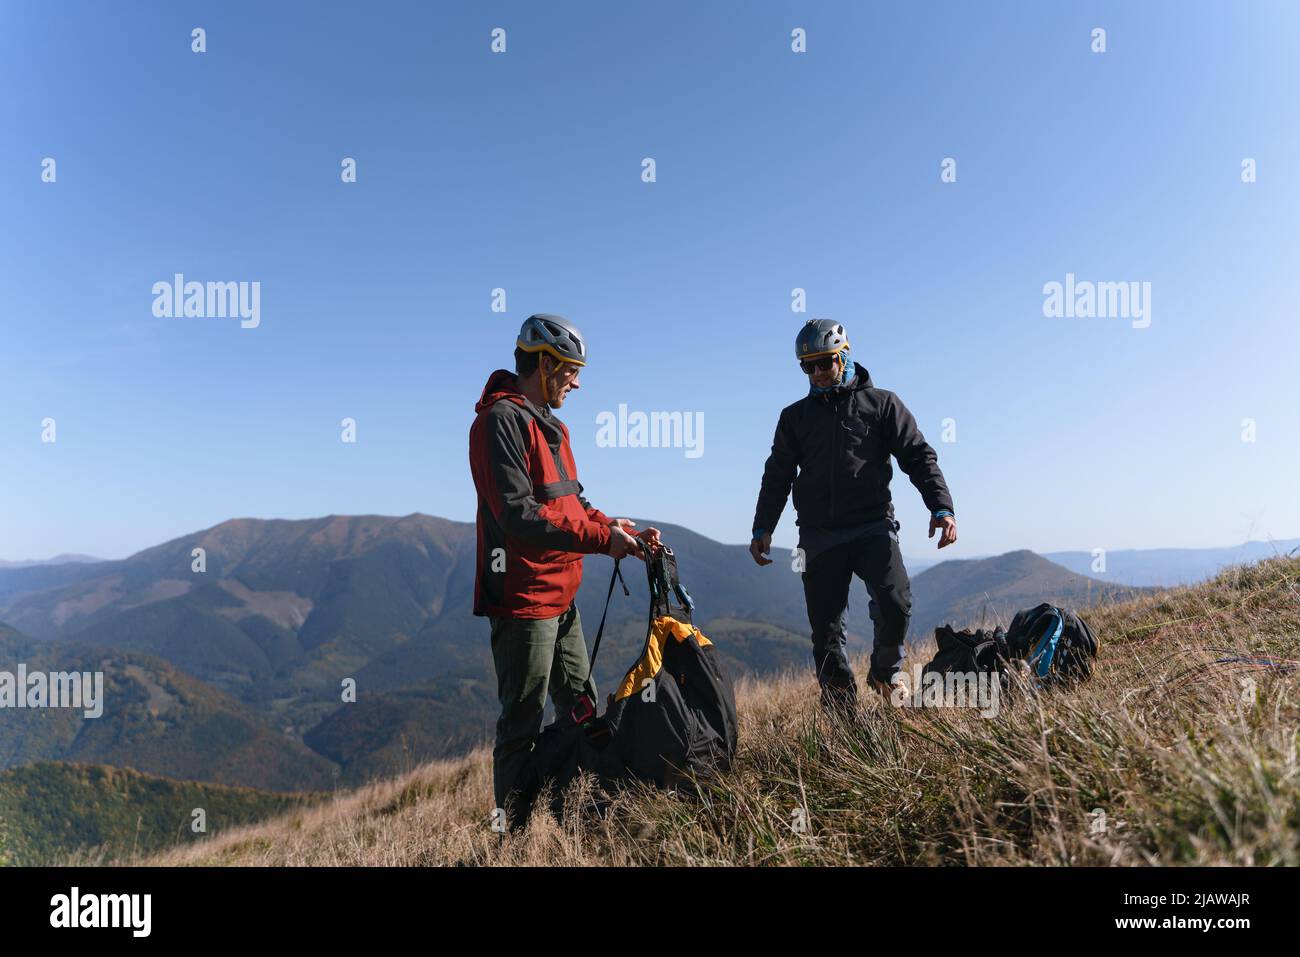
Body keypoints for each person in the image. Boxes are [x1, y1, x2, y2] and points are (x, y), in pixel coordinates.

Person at [469, 313, 659, 827]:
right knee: (522, 724)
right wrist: (603, 540)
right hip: (525, 601)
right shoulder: (499, 422)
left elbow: (566, 505)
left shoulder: (549, 425)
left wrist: (609, 525)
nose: (577, 382)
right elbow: (519, 519)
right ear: (547, 364)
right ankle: (514, 837)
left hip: (560, 596)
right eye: (571, 370)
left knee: (581, 707)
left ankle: (572, 815)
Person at [748, 319, 957, 714]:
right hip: (818, 535)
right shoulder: (794, 418)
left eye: (823, 363)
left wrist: (941, 507)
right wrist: (763, 527)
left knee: (896, 602)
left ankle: (884, 670)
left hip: (873, 525)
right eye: (807, 367)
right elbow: (777, 475)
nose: (816, 374)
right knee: (826, 631)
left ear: (844, 356)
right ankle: (844, 719)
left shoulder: (882, 404)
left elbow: (918, 456)